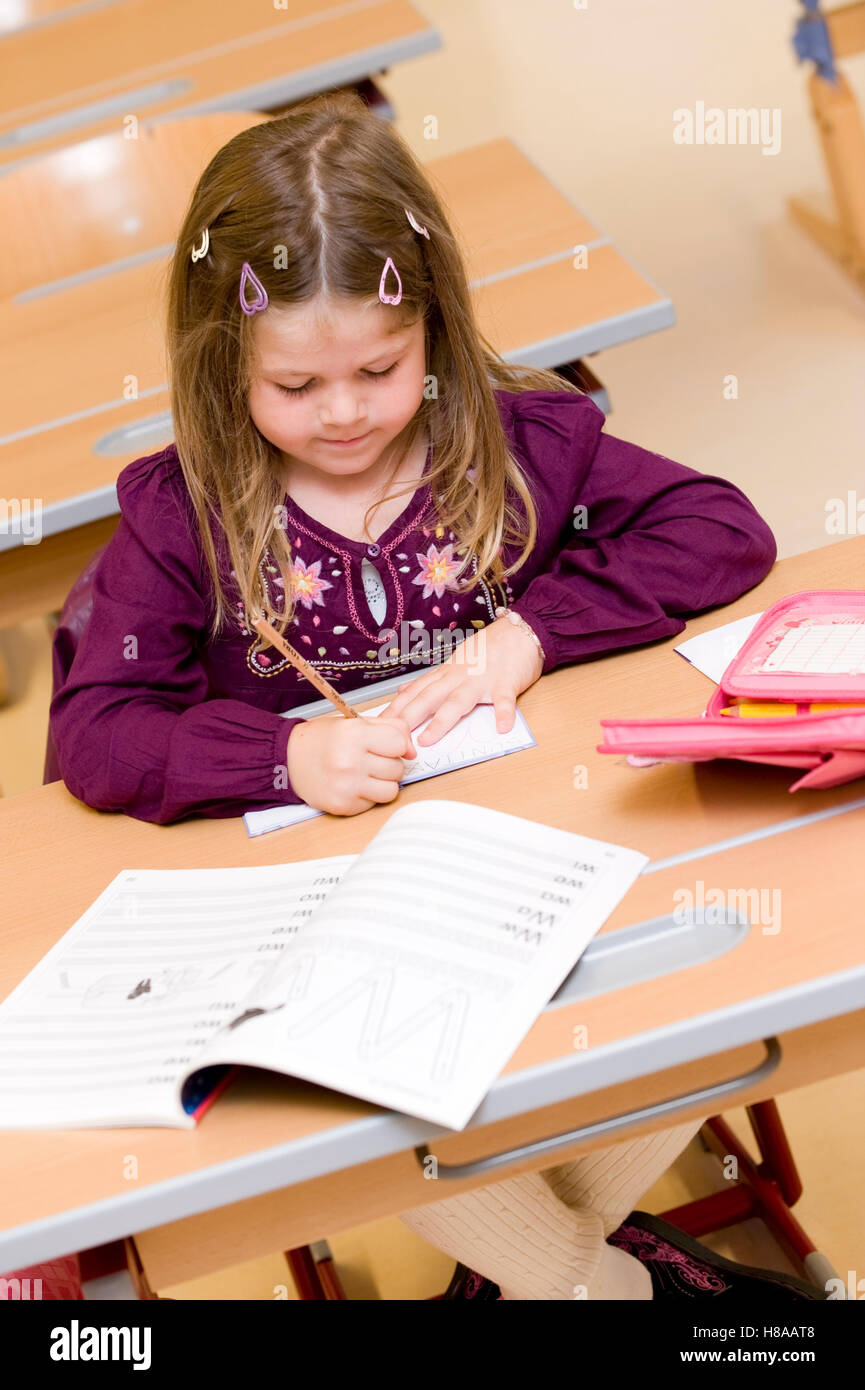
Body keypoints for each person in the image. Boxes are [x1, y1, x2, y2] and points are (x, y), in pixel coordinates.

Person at [47, 92, 820, 1301]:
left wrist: (528, 633)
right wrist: (283, 762)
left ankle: (542, 1278)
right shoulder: (174, 517)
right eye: (295, 386)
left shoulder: (515, 446)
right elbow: (95, 731)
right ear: (222, 362)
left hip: (534, 870)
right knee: (356, 1109)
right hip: (323, 925)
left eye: (379, 369)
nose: (345, 411)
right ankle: (602, 1284)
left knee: (718, 996)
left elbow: (718, 526)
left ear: (436, 334)